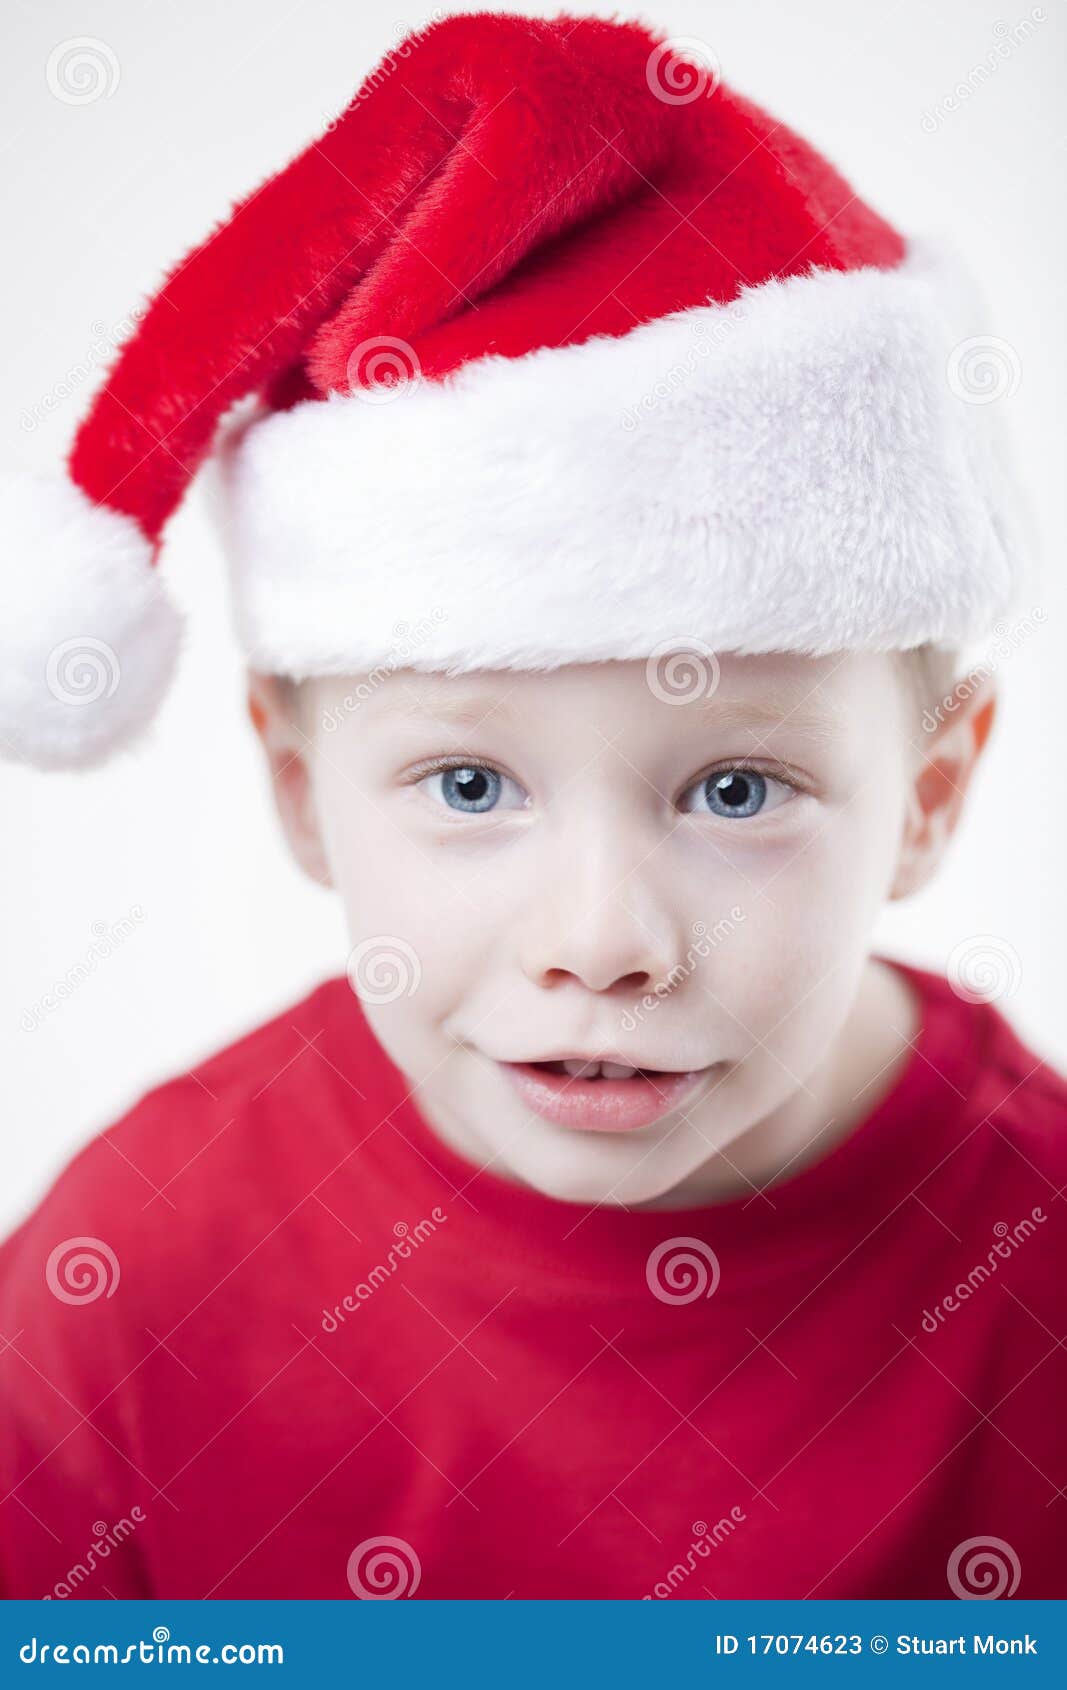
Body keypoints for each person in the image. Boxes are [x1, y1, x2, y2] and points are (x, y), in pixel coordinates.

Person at [1, 12, 1062, 1601]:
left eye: (734, 785)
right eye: (473, 782)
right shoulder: (129, 1289)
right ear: (301, 790)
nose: (602, 940)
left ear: (929, 793)